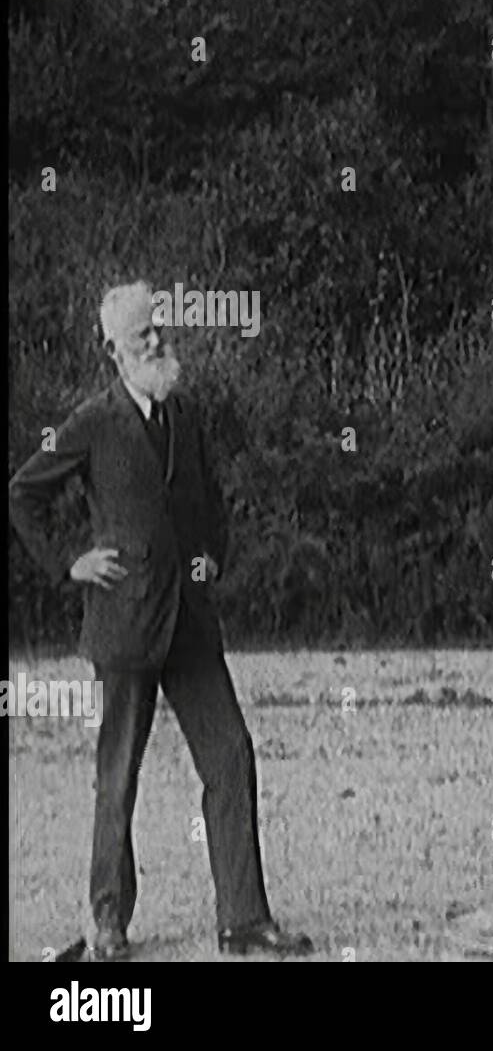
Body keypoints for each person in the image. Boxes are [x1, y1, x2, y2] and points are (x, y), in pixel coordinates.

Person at [9, 281, 312, 960]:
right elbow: (22, 494)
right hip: (124, 627)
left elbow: (212, 504)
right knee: (118, 776)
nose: (157, 338)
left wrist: (213, 560)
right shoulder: (90, 422)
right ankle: (108, 924)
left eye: (159, 326)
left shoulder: (187, 413)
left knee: (231, 754)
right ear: (114, 350)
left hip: (191, 627)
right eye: (142, 332)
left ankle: (243, 922)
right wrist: (68, 562)